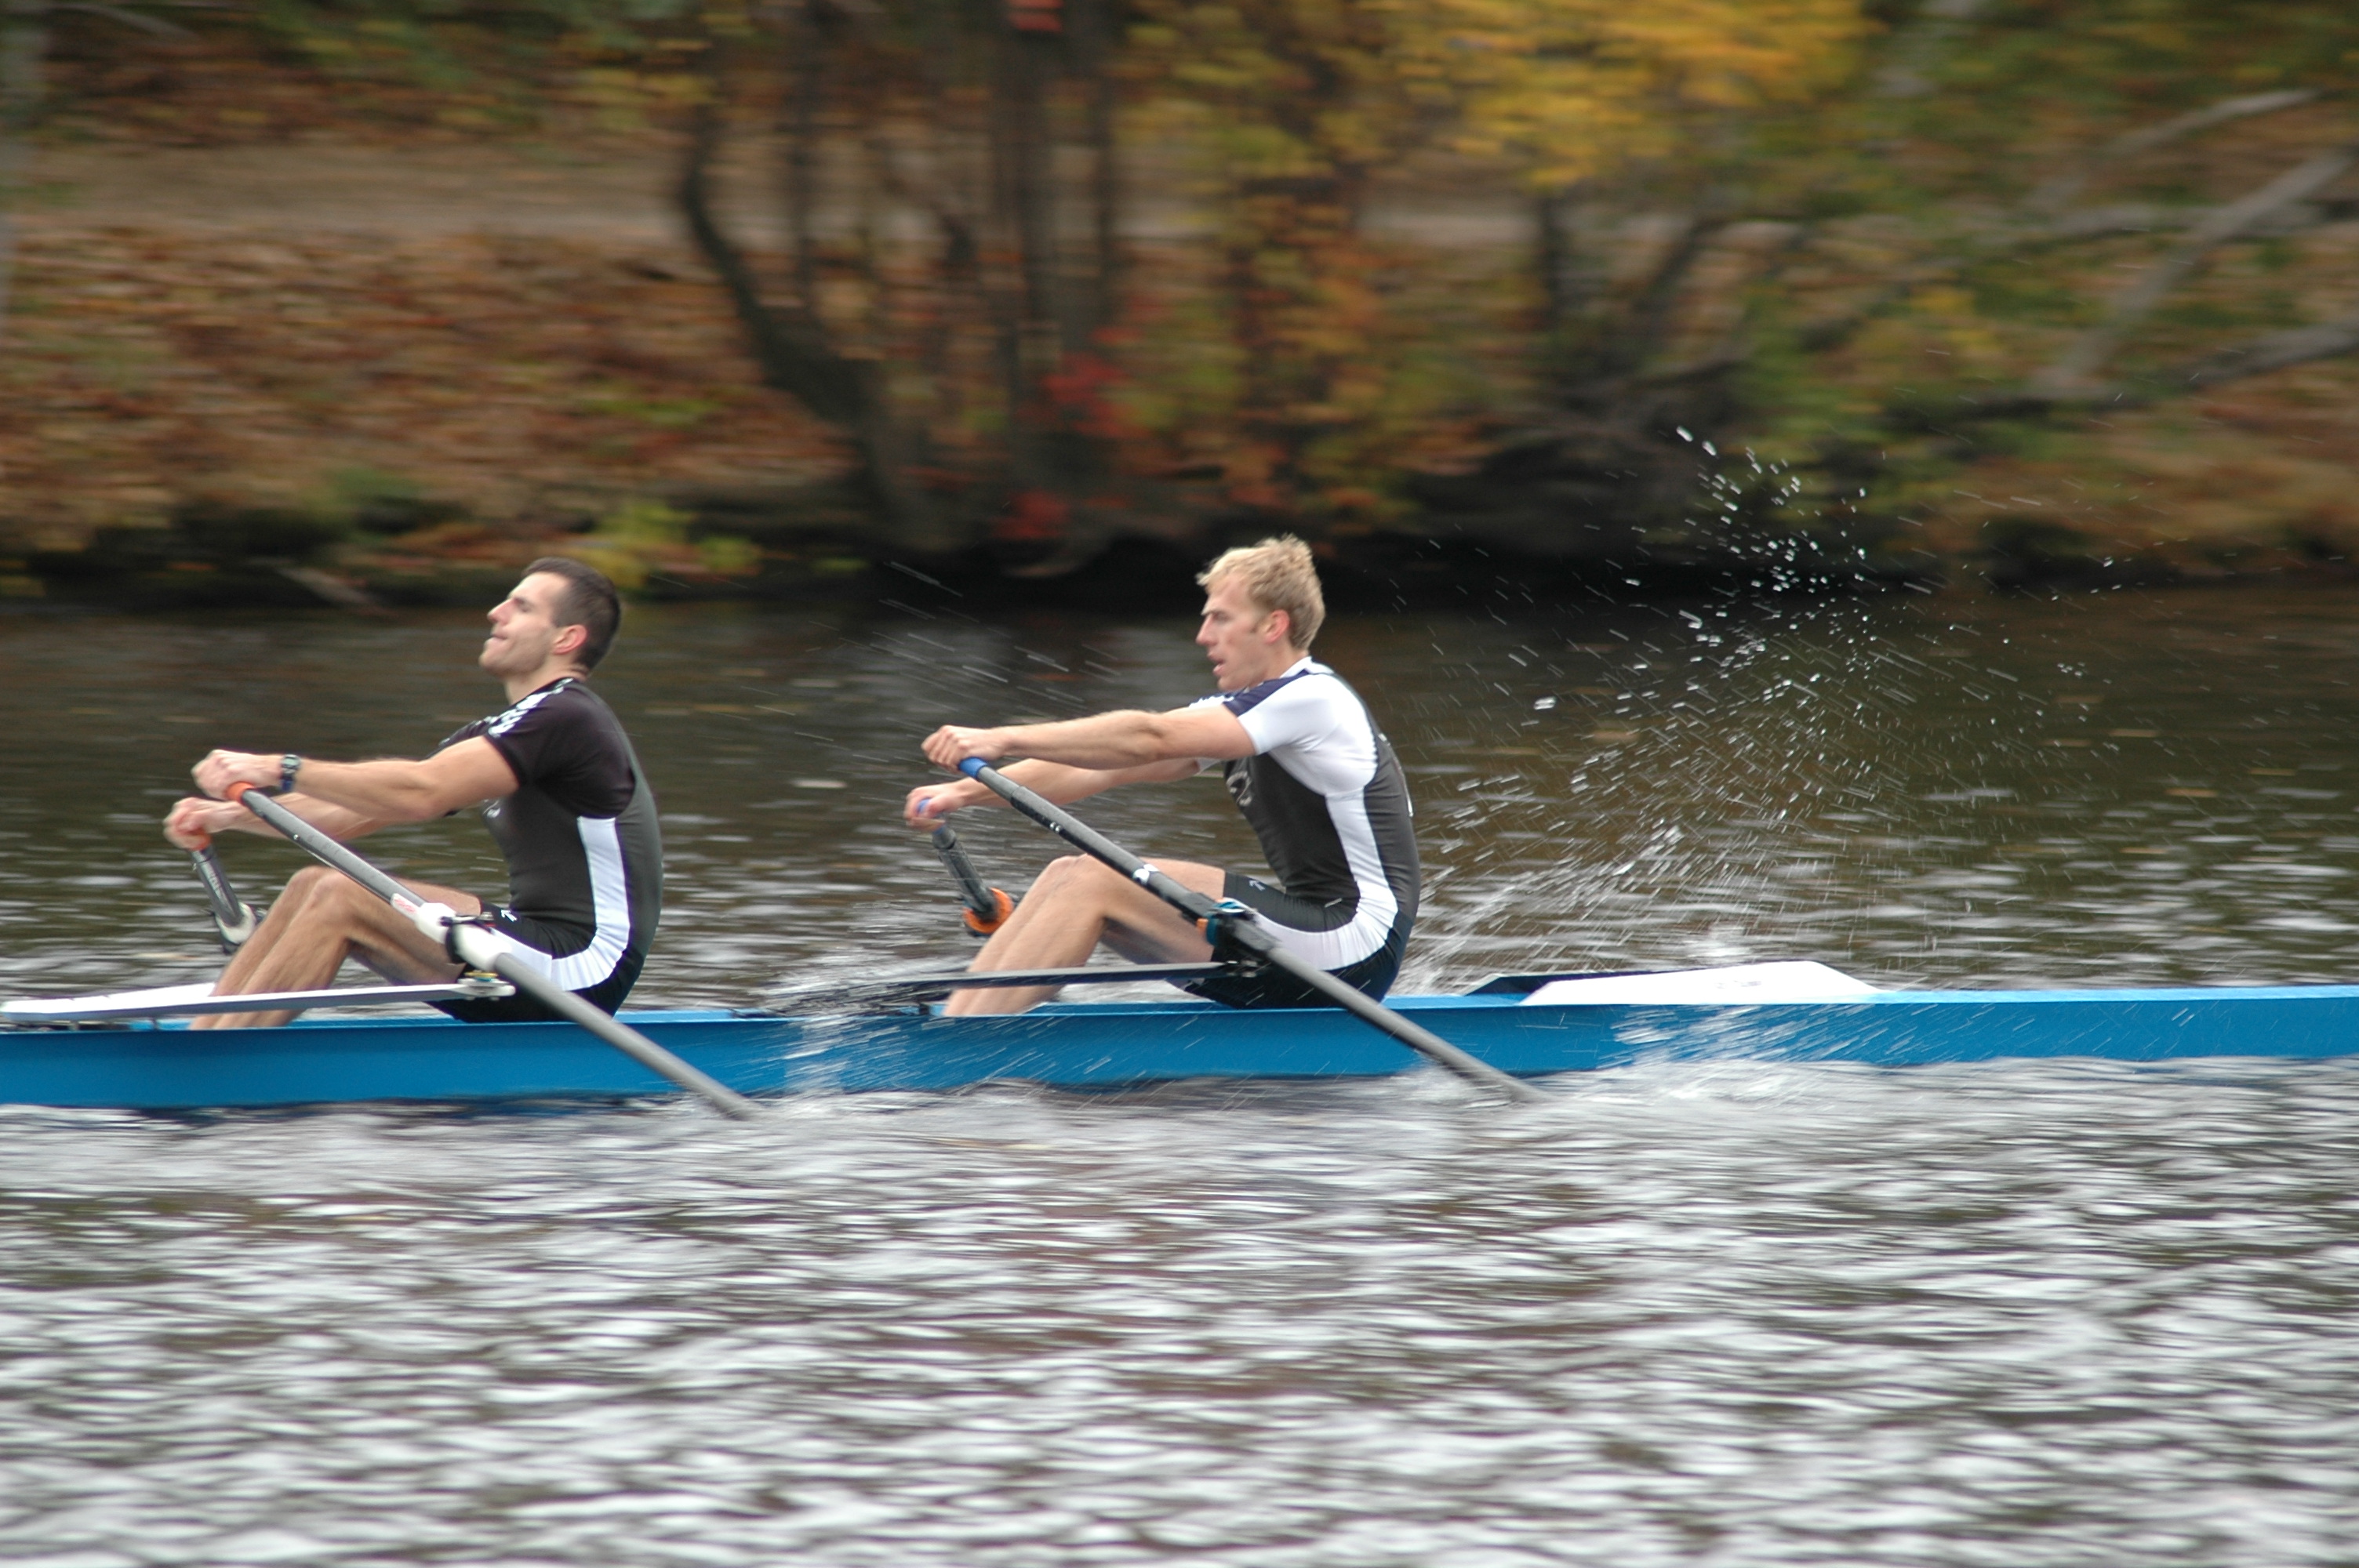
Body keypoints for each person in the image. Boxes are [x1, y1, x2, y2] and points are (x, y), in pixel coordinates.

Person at [904, 535, 1417, 1014]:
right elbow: (1096, 769)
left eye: (1220, 618)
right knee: (1065, 872)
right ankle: (964, 1016)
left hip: (1354, 945)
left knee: (1091, 880)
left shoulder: (1313, 699)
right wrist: (961, 793)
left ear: (1272, 626)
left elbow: (1150, 737)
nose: (1203, 636)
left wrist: (1004, 738)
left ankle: (962, 1044)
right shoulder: (1246, 711)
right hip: (1311, 937)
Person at [165, 557, 661, 1028]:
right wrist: (226, 817)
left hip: (583, 966)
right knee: (309, 885)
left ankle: (210, 1064)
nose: (496, 612)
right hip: (532, 939)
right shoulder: (504, 730)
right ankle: (209, 1036)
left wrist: (278, 767)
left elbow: (422, 790)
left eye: (523, 606)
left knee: (340, 896)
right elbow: (347, 813)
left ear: (567, 639)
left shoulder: (568, 716)